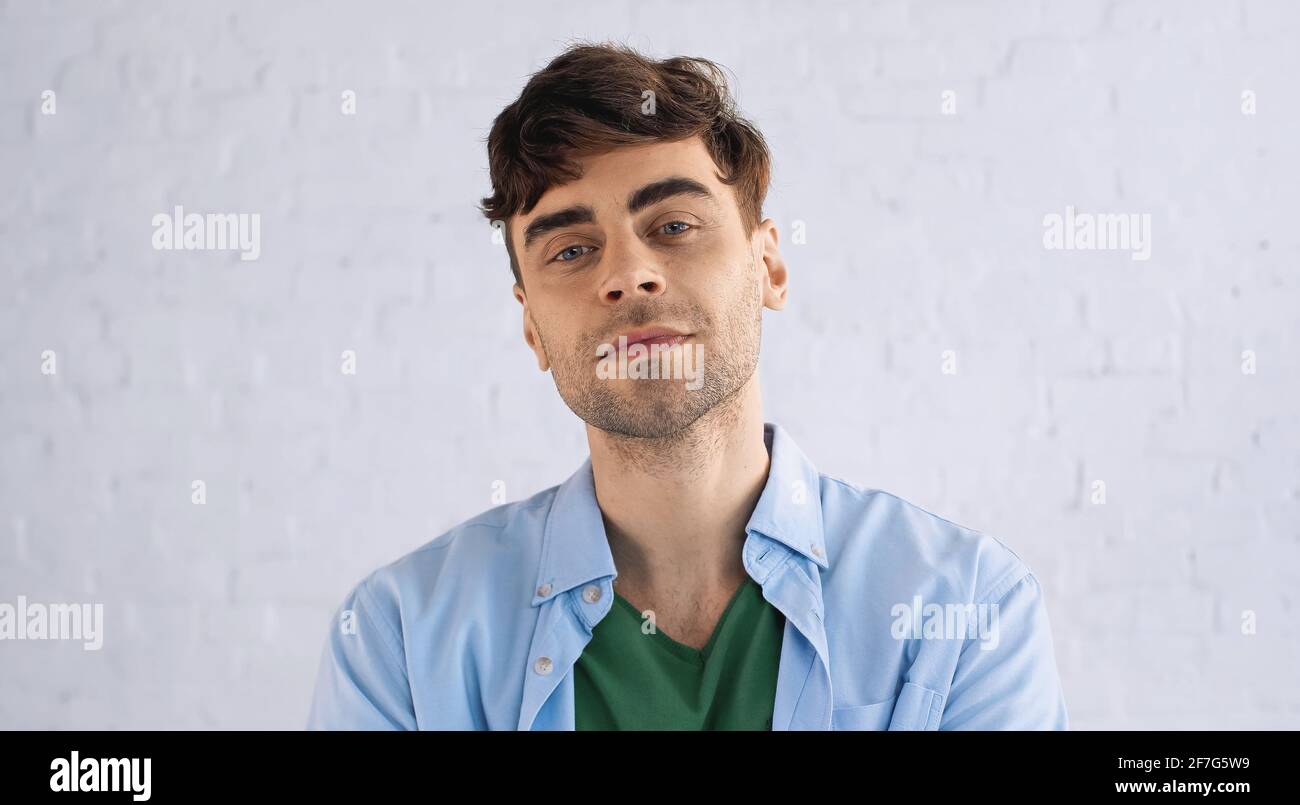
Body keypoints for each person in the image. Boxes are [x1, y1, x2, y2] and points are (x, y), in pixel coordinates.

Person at [307, 42, 1069, 731]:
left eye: (673, 226)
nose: (625, 274)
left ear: (767, 265)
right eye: (571, 249)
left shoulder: (965, 609)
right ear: (532, 326)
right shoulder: (400, 640)